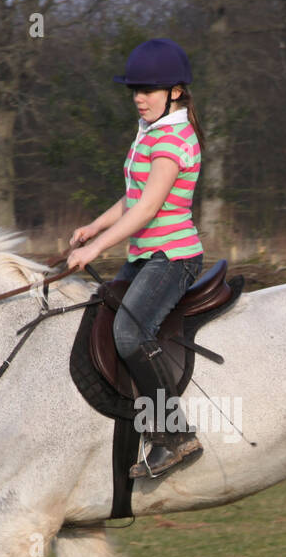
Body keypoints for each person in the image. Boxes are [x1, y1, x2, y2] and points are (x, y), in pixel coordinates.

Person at [67, 37, 207, 479]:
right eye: (135, 90)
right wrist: (94, 225)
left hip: (173, 257)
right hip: (147, 255)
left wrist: (96, 248)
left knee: (129, 333)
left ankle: (176, 435)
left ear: (176, 92)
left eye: (148, 89)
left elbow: (149, 208)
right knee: (99, 317)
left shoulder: (173, 136)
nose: (139, 98)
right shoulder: (151, 131)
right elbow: (133, 198)